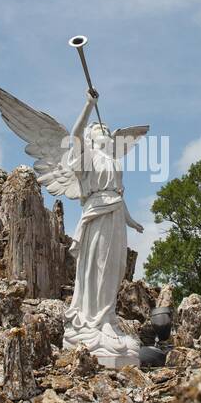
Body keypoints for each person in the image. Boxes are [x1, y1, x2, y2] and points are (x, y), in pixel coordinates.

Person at [62, 89, 145, 368]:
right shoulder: (86, 158)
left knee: (114, 267)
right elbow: (73, 135)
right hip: (96, 215)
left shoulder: (114, 162)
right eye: (101, 130)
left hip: (115, 215)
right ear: (91, 137)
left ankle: (108, 318)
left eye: (108, 130)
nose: (107, 132)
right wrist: (88, 106)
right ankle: (92, 319)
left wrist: (130, 220)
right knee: (97, 265)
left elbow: (118, 195)